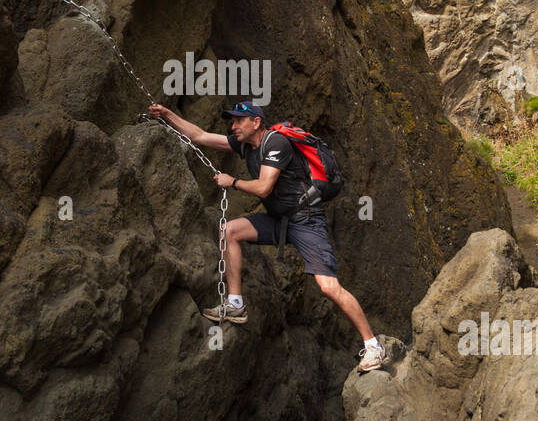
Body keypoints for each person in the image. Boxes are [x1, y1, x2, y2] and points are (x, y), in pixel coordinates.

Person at [148, 99, 388, 373]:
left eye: (239, 120)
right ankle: (236, 304)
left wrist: (233, 182)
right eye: (232, 120)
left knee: (328, 287)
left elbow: (263, 188)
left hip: (306, 220)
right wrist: (167, 114)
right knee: (229, 231)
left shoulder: (276, 144)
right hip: (278, 220)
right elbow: (200, 136)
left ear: (256, 123)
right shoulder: (245, 144)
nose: (233, 125)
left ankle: (373, 347)